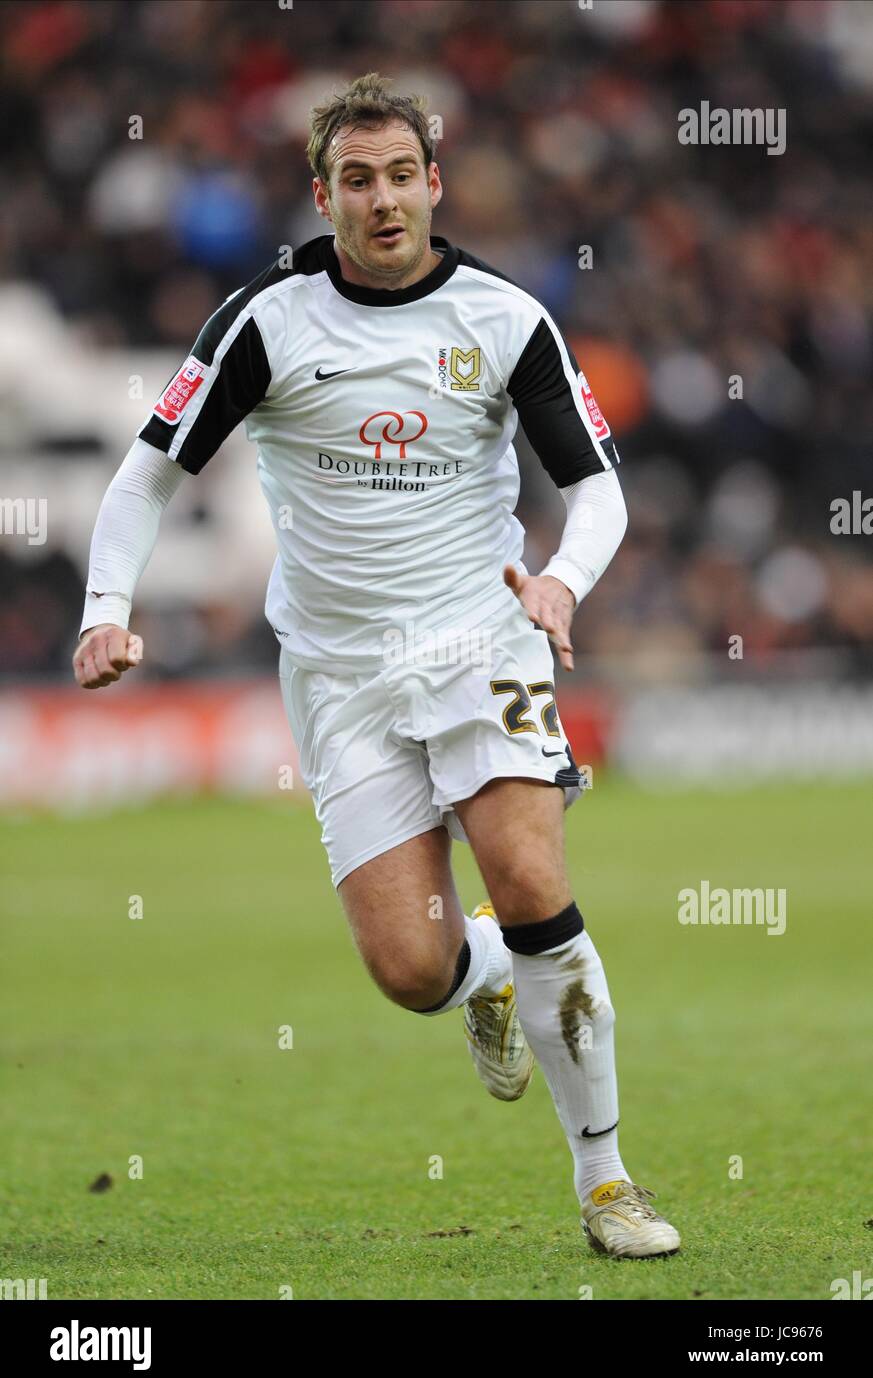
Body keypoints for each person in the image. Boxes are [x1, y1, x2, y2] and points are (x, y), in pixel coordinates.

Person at [73, 72, 679, 1259]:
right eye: (359, 179)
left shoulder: (505, 320)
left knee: (529, 877)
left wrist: (560, 582)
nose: (384, 198)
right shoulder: (267, 323)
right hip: (341, 671)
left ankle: (607, 1183)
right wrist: (106, 608)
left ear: (434, 184)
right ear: (325, 195)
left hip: (482, 636)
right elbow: (149, 471)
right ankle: (487, 980)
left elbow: (599, 487)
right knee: (411, 969)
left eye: (403, 174)